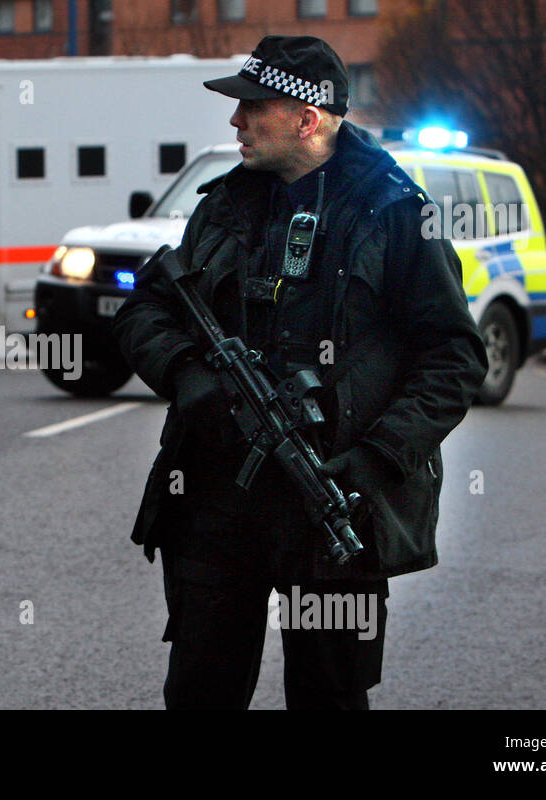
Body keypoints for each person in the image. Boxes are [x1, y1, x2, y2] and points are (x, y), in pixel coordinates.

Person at [113, 35, 488, 709]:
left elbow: (453, 358)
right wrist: (185, 373)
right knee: (201, 690)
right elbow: (146, 309)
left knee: (328, 694)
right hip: (216, 501)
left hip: (335, 503)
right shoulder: (225, 204)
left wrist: (376, 459)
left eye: (252, 107)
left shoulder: (399, 215)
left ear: (306, 119)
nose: (236, 122)